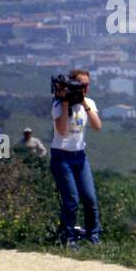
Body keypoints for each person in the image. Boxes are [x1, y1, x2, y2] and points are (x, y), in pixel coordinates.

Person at [50, 69, 103, 246]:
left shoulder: (89, 103)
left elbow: (97, 126)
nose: (85, 88)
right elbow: (62, 131)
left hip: (80, 156)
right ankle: (68, 237)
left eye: (87, 84)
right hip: (61, 156)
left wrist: (84, 104)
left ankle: (93, 236)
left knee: (89, 198)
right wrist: (66, 102)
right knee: (71, 199)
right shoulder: (58, 104)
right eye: (81, 84)